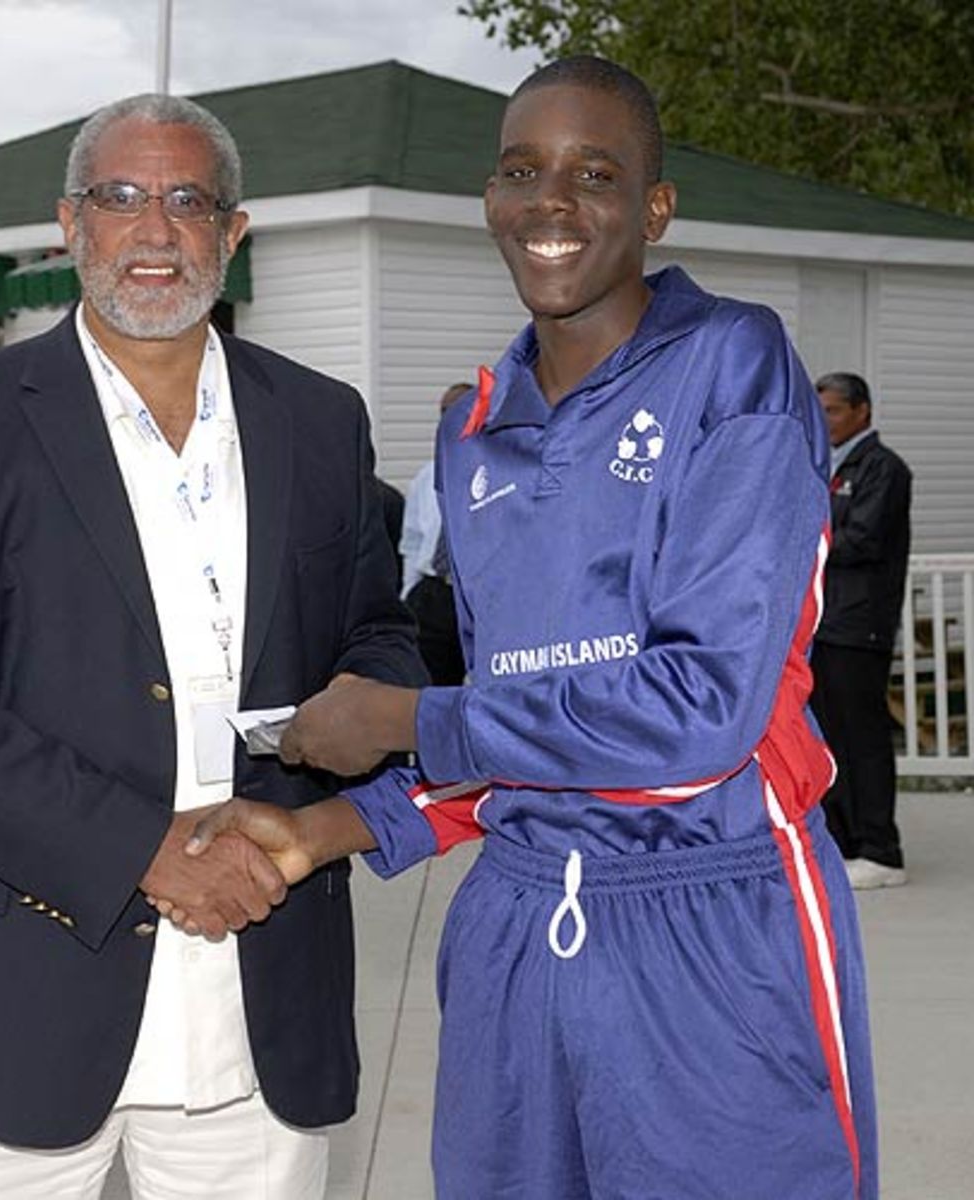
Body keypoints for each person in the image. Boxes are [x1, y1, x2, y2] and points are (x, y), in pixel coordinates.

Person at [183, 56, 878, 1200]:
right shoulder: (476, 427)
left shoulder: (734, 364)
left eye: (593, 173)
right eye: (521, 171)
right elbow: (528, 726)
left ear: (654, 207)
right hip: (518, 921)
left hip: (712, 919)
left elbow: (697, 713)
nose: (550, 203)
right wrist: (337, 830)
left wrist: (404, 718)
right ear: (491, 200)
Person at [0, 93, 424, 1200]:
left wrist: (358, 723)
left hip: (264, 990)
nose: (153, 231)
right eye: (120, 198)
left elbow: (377, 634)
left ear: (233, 232)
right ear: (69, 225)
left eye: (186, 200)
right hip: (10, 1010)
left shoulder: (319, 421)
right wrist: (142, 851)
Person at [811, 371, 912, 889]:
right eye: (820, 409)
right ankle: (845, 842)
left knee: (864, 735)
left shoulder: (883, 468)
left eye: (833, 410)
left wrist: (807, 532)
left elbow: (861, 539)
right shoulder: (828, 466)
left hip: (860, 623)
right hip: (825, 622)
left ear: (862, 412)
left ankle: (881, 847)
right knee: (829, 733)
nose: (824, 419)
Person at [399, 382, 471, 685]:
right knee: (429, 687)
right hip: (431, 594)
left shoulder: (496, 472)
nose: (449, 418)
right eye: (444, 412)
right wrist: (405, 599)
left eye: (458, 410)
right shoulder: (427, 476)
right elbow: (413, 542)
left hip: (471, 595)